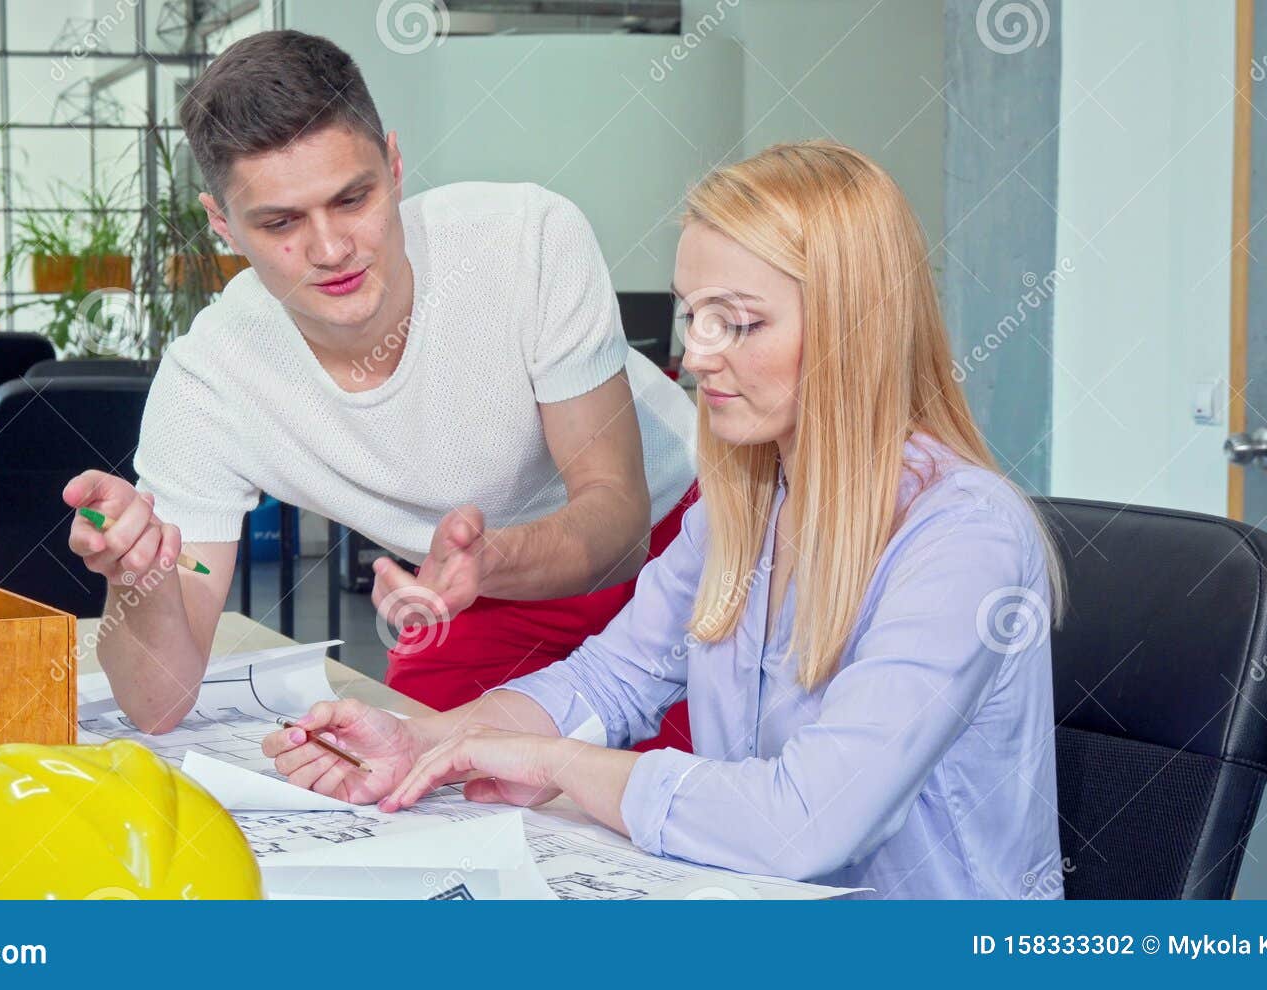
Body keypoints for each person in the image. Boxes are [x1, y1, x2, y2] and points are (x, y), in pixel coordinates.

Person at [263, 141, 1067, 898]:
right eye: (694, 314)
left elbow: (805, 823)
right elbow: (609, 678)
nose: (697, 353)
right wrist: (429, 745)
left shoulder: (963, 538)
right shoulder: (742, 512)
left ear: (856, 328)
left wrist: (556, 763)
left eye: (740, 322)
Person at [62, 31, 697, 740]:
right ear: (224, 226)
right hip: (472, 589)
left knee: (678, 798)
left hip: (678, 536)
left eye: (353, 199)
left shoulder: (527, 239)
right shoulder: (208, 381)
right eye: (281, 223)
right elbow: (158, 704)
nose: (331, 250)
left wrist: (493, 560)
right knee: (411, 773)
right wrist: (135, 574)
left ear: (394, 167)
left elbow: (621, 526)